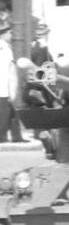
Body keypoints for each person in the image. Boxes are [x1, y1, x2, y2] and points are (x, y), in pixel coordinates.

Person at [0, 13, 24, 142]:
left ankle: (17, 136)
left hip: (6, 88)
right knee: (4, 114)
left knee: (12, 113)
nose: (12, 35)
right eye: (10, 33)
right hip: (4, 88)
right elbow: (6, 72)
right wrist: (10, 91)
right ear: (4, 33)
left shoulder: (5, 48)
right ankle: (2, 137)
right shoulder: (4, 49)